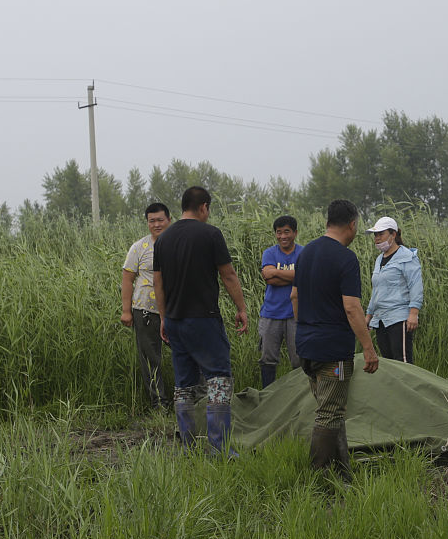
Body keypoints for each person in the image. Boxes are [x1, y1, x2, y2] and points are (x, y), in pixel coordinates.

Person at [153, 186, 249, 455]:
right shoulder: (210, 234)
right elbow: (228, 275)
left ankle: (188, 446)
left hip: (174, 320)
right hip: (204, 320)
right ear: (203, 207)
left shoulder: (163, 239)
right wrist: (241, 308)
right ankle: (220, 447)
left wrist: (163, 317)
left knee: (184, 385)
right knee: (218, 379)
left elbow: (157, 283)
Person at [291, 199, 379, 479]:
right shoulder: (345, 258)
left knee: (332, 409)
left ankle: (341, 473)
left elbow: (294, 297)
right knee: (328, 414)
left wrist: (306, 327)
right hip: (332, 352)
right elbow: (352, 308)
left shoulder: (305, 253)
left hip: (306, 346)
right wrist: (369, 349)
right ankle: (318, 478)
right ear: (352, 224)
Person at [120, 202, 172, 409]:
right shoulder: (139, 247)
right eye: (152, 221)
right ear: (147, 223)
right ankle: (159, 403)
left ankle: (191, 399)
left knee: (185, 354)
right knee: (151, 359)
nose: (157, 224)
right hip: (146, 310)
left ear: (169, 219)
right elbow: (127, 279)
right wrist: (126, 311)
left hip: (175, 310)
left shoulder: (177, 244)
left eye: (160, 220)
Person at [364, 216, 423, 364]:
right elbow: (376, 290)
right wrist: (369, 315)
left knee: (402, 362)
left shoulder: (407, 257)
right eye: (375, 235)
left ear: (393, 234)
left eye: (381, 234)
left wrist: (413, 313)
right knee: (388, 363)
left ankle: (408, 387)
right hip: (381, 319)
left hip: (399, 318)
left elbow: (415, 285)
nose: (377, 238)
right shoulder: (379, 259)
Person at [258, 215, 303, 388]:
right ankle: (267, 395)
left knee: (299, 359)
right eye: (279, 232)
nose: (283, 236)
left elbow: (305, 277)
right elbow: (269, 278)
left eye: (287, 232)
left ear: (295, 233)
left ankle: (298, 396)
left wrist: (277, 273)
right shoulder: (269, 253)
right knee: (267, 359)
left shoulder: (303, 252)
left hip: (296, 314)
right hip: (270, 313)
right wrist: (296, 277)